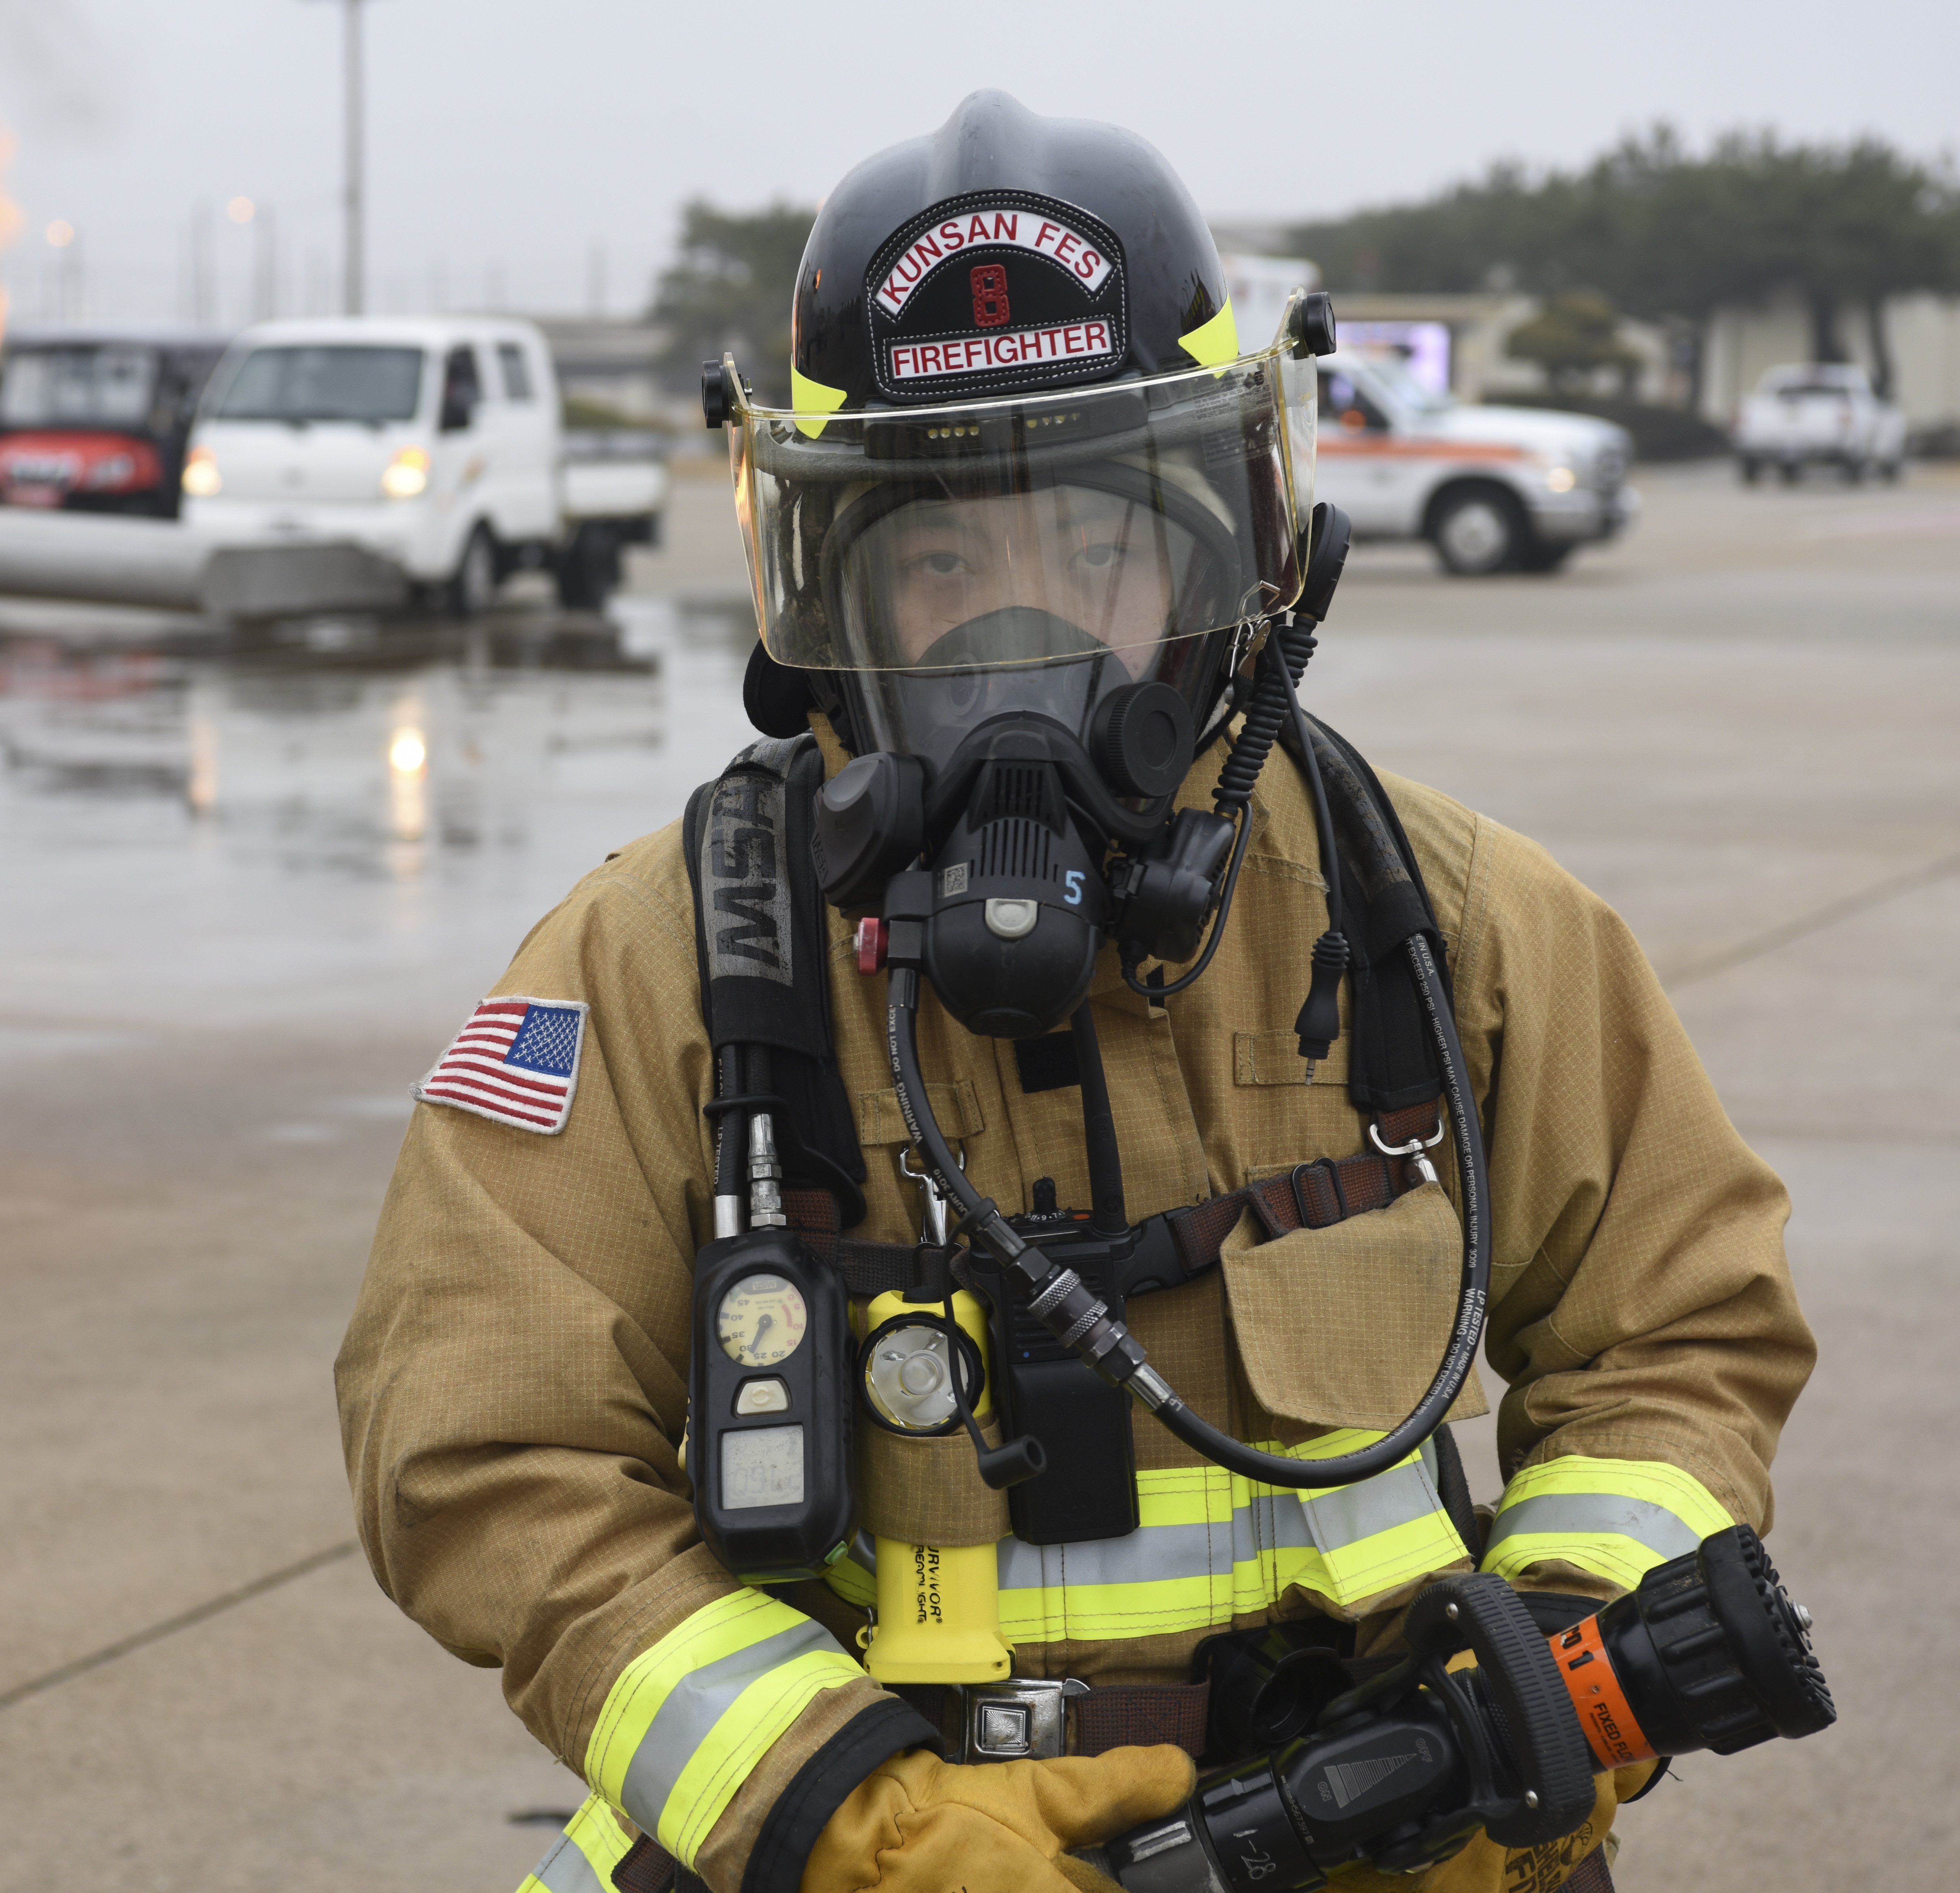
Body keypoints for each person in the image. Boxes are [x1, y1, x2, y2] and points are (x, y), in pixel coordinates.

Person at [336, 92, 1810, 1893]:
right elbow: (482, 1445)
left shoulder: (1448, 922)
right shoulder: (664, 969)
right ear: (825, 589)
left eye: (1090, 549)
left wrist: (1555, 1671)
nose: (1009, 646)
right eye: (942, 559)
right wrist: (851, 1818)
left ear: (1231, 560)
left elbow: (1681, 1333)